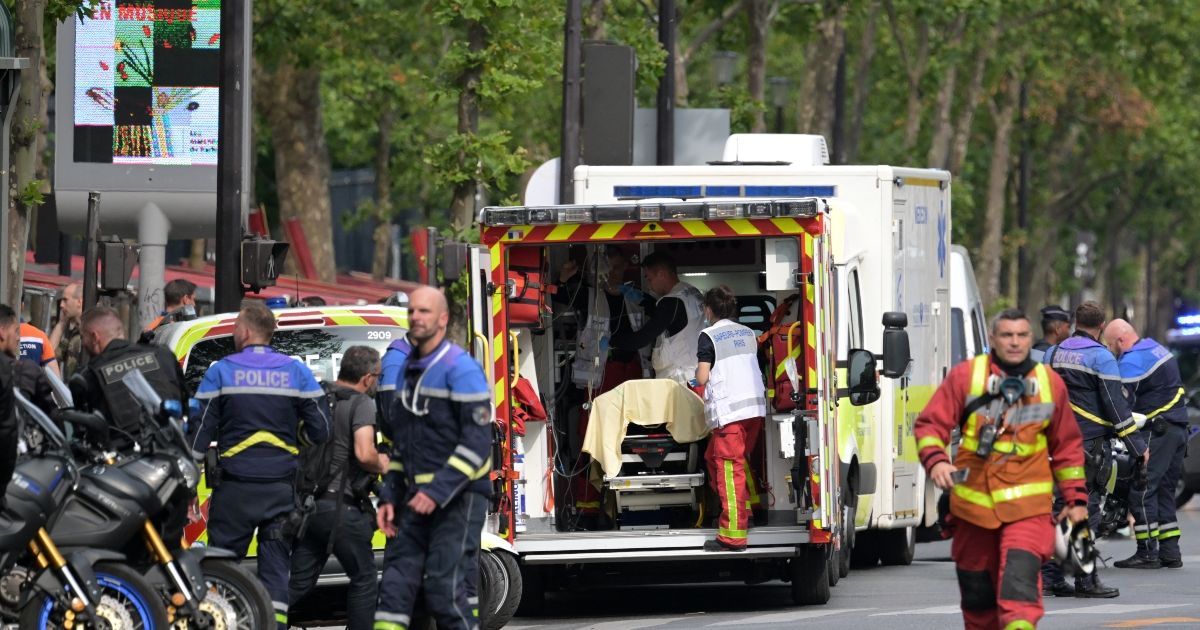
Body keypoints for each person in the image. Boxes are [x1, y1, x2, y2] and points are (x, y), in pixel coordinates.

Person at [914, 308, 1088, 630]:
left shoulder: (1049, 383)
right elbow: (929, 424)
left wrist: (1076, 502)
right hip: (973, 511)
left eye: (1022, 335)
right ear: (992, 338)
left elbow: (1067, 447)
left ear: (1029, 338)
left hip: (1028, 511)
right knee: (978, 604)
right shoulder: (966, 376)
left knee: (1019, 592)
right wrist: (937, 460)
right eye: (1007, 335)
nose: (1015, 342)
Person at [190, 300, 330, 629]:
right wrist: (296, 442)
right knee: (276, 572)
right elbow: (322, 429)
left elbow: (199, 433)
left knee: (222, 569)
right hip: (280, 490)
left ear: (246, 330)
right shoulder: (296, 371)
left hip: (235, 492)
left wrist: (187, 485)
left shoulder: (220, 371)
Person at [375, 286, 492, 630]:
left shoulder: (462, 369)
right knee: (394, 591)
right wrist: (389, 496)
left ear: (443, 319)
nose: (415, 317)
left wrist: (437, 491)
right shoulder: (408, 371)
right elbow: (401, 447)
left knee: (444, 590)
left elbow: (476, 442)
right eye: (412, 311)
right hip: (414, 501)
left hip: (458, 498)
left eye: (424, 311)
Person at [1040, 301, 1147, 598]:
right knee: (1084, 512)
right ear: (1101, 327)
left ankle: (1050, 579)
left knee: (1059, 508)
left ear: (1075, 322)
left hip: (1054, 444)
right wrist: (1138, 447)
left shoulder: (1052, 353)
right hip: (1087, 448)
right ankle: (1086, 583)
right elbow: (1116, 406)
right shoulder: (1101, 357)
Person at [290, 346, 389, 630]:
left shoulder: (320, 397)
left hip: (309, 508)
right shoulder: (362, 404)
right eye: (378, 377)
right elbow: (364, 454)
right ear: (368, 378)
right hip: (342, 510)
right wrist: (385, 464)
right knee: (365, 578)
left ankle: (260, 620)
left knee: (297, 583)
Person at [1103, 319, 1188, 570]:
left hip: (1156, 430)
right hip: (1177, 429)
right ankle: (1170, 552)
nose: (1111, 351)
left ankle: (1147, 552)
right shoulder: (1155, 347)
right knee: (1164, 492)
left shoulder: (1132, 361)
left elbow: (1121, 402)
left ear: (1120, 340)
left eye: (1110, 345)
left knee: (1142, 489)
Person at [695, 286, 767, 552]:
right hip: (753, 411)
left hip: (731, 414)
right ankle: (745, 513)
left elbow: (702, 377)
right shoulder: (749, 333)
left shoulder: (708, 336)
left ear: (708, 309)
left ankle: (733, 535)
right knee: (719, 460)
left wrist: (695, 377)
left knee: (729, 471)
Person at [78, 306, 189, 449]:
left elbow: (89, 432)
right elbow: (187, 403)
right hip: (174, 452)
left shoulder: (91, 375)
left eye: (83, 337)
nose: (83, 343)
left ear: (94, 337)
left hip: (126, 461)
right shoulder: (162, 355)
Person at [608, 251, 704, 386]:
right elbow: (673, 319)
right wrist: (643, 300)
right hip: (695, 374)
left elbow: (640, 339)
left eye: (649, 278)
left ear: (661, 274)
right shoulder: (691, 291)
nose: (649, 285)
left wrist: (610, 340)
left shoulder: (671, 302)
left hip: (678, 379)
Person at [0, 305, 21, 509]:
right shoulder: (4, 369)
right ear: (2, 331)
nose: (17, 338)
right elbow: (6, 431)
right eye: (15, 331)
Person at [50, 282, 84, 378]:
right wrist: (61, 323)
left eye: (65, 300)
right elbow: (50, 356)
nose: (61, 305)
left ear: (79, 302)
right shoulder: (73, 332)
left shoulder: (91, 332)